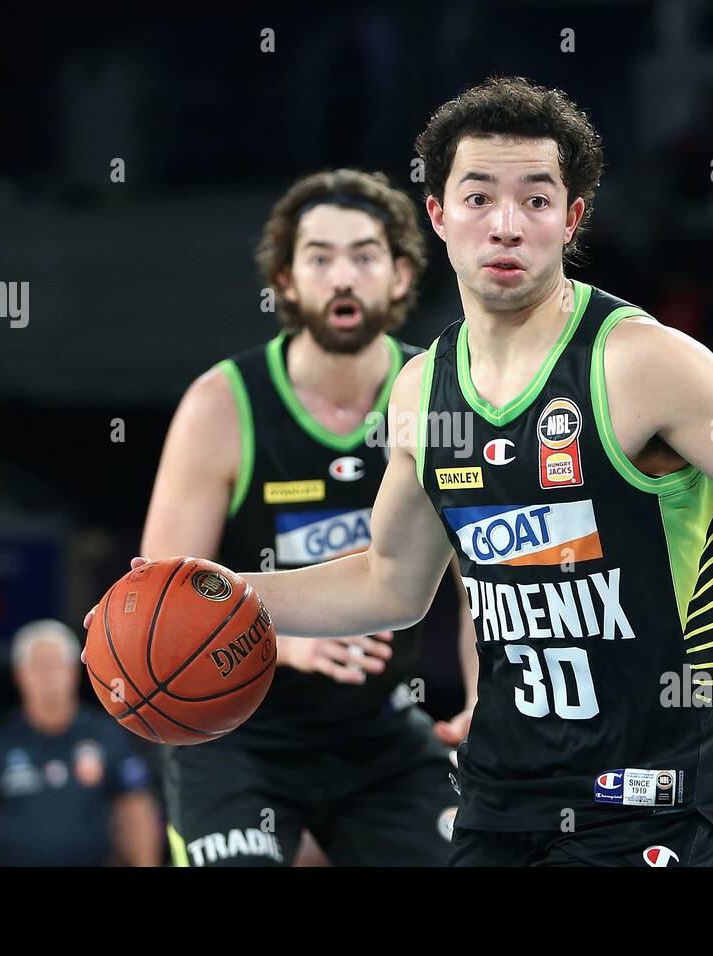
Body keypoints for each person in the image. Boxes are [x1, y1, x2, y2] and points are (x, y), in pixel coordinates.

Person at [91, 77, 713, 867]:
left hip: (650, 785)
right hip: (505, 783)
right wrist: (220, 599)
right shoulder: (423, 390)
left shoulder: (643, 363)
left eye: (536, 201)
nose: (505, 225)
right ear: (437, 215)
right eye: (477, 197)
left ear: (572, 218)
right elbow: (389, 584)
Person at [139, 168, 475, 867]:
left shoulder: (442, 398)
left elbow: (489, 577)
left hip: (379, 730)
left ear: (402, 273)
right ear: (286, 282)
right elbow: (159, 597)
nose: (342, 276)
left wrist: (485, 699)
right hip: (236, 732)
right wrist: (287, 638)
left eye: (364, 255)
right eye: (319, 257)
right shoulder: (221, 405)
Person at [0, 620, 159, 866]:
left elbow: (136, 807)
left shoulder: (107, 734)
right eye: (38, 666)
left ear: (73, 671)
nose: (48, 676)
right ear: (20, 675)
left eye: (55, 665)